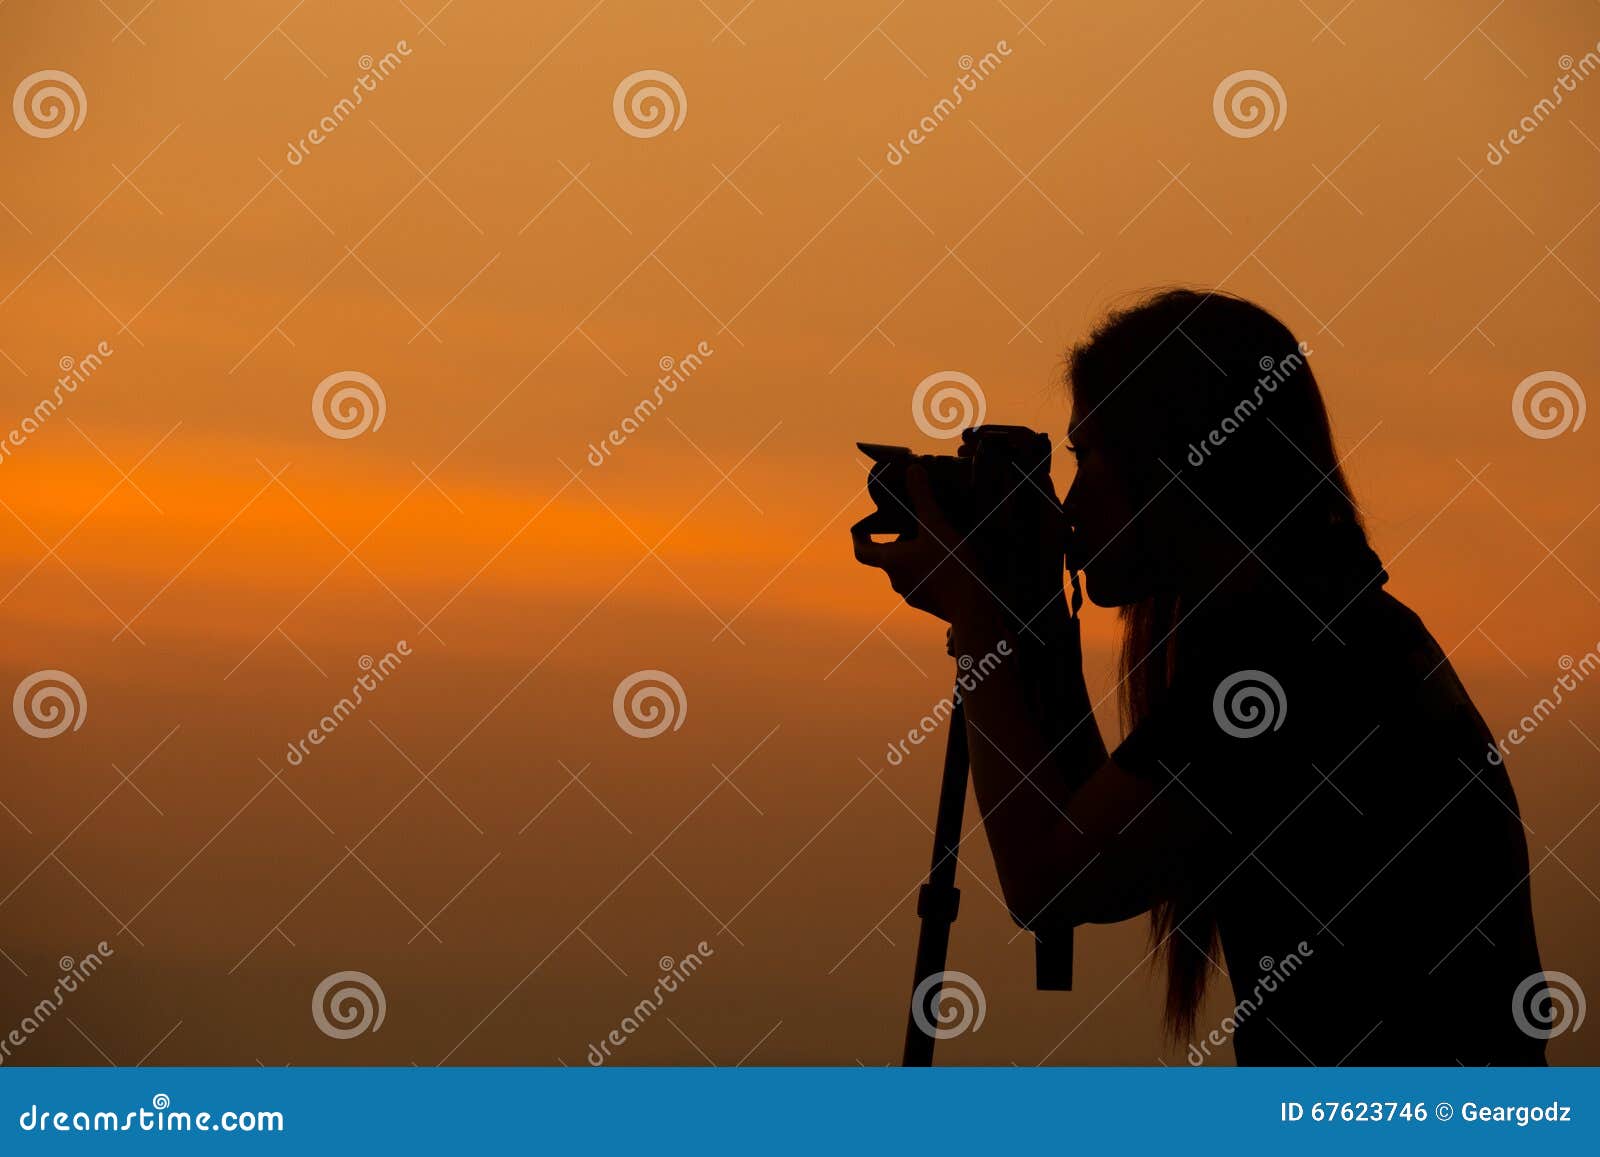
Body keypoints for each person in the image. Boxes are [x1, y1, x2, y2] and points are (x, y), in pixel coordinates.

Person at [854, 287, 1547, 1064]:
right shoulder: (1331, 625)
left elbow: (1051, 879)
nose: (1071, 505)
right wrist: (1032, 614)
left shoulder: (1284, 666)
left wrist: (977, 619)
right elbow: (1097, 825)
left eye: (1087, 459)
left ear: (1174, 465)